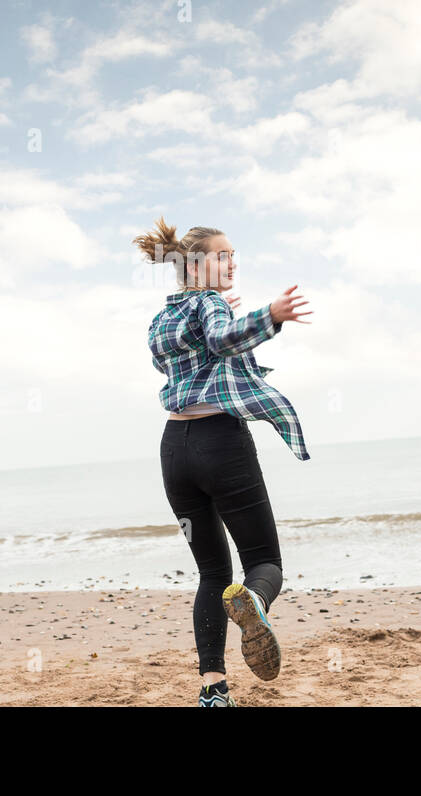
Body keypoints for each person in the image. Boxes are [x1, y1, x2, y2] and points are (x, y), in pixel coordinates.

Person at [133, 216, 312, 706]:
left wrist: (221, 320)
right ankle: (254, 601)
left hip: (175, 450)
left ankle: (213, 690)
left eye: (233, 255)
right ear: (195, 264)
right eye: (221, 255)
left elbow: (167, 358)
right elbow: (219, 341)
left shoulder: (165, 315)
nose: (232, 262)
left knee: (212, 574)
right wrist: (269, 316)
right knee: (264, 562)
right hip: (221, 445)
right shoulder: (210, 305)